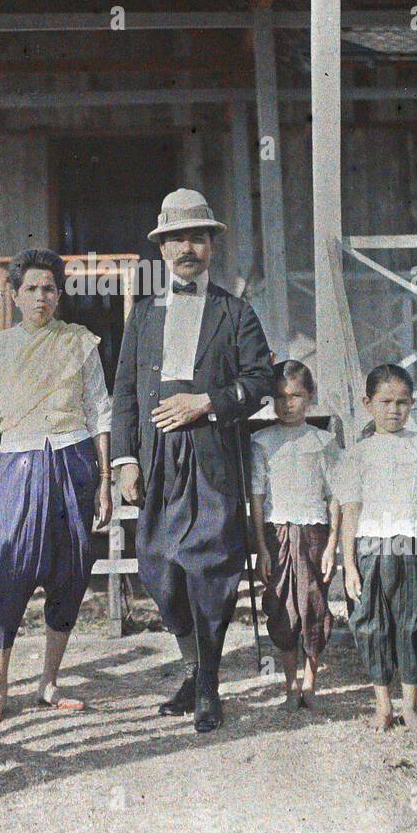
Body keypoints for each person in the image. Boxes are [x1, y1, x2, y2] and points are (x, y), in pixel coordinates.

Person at [112, 188, 273, 733]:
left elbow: (260, 382)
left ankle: (207, 687)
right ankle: (193, 664)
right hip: (158, 457)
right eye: (178, 238)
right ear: (162, 249)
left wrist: (207, 403)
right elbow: (126, 396)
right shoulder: (143, 315)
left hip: (210, 454)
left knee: (210, 569)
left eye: (198, 238)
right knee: (158, 569)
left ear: (211, 248)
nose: (188, 248)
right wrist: (124, 460)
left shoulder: (236, 312)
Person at [0, 247, 112, 729]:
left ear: (60, 293)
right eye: (30, 288)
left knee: (71, 569)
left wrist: (105, 480)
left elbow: (99, 412)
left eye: (49, 288)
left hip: (73, 461)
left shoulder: (79, 342)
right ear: (13, 295)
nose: (40, 297)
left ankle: (48, 682)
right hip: (18, 464)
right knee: (12, 570)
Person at [336, 363, 417, 733]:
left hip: (413, 548)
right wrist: (349, 564)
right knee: (371, 627)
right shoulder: (358, 453)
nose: (394, 410)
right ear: (367, 403)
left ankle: (412, 708)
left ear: (412, 404)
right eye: (385, 401)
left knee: (411, 624)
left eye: (402, 402)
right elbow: (350, 511)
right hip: (371, 550)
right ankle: (383, 706)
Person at [251, 359, 341, 712]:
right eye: (280, 396)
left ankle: (310, 683)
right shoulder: (262, 441)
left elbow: (335, 497)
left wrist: (332, 544)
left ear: (310, 397)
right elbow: (257, 499)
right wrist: (261, 547)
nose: (287, 404)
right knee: (282, 609)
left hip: (315, 533)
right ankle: (290, 684)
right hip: (277, 533)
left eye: (296, 396)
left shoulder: (324, 442)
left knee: (313, 608)